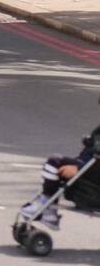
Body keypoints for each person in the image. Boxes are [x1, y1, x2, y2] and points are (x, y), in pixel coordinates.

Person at [20, 97, 100, 229]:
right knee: (56, 164)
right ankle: (47, 205)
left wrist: (79, 170)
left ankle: (48, 209)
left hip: (94, 180)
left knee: (55, 161)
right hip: (89, 171)